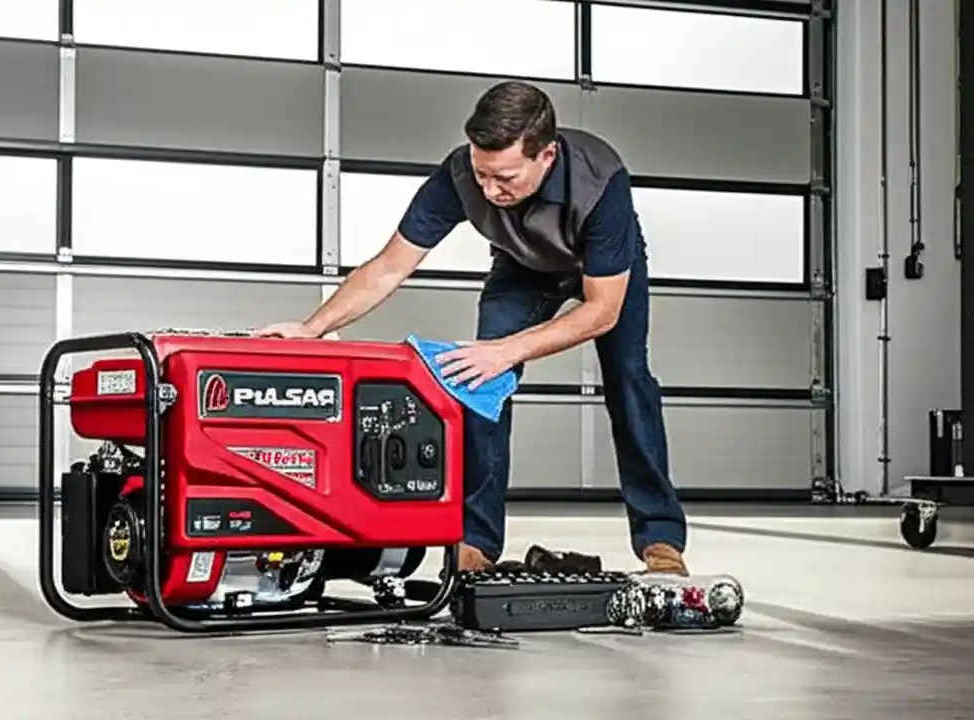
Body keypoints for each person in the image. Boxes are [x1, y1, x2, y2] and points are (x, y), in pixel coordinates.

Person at [253, 80, 688, 576]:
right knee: (477, 381)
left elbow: (601, 311)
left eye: (504, 177)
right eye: (482, 174)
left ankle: (661, 540)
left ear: (547, 155)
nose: (488, 190)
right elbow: (389, 267)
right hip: (522, 268)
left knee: (629, 383)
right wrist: (313, 328)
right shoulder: (460, 173)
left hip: (605, 272)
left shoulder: (600, 181)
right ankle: (476, 541)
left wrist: (506, 351)